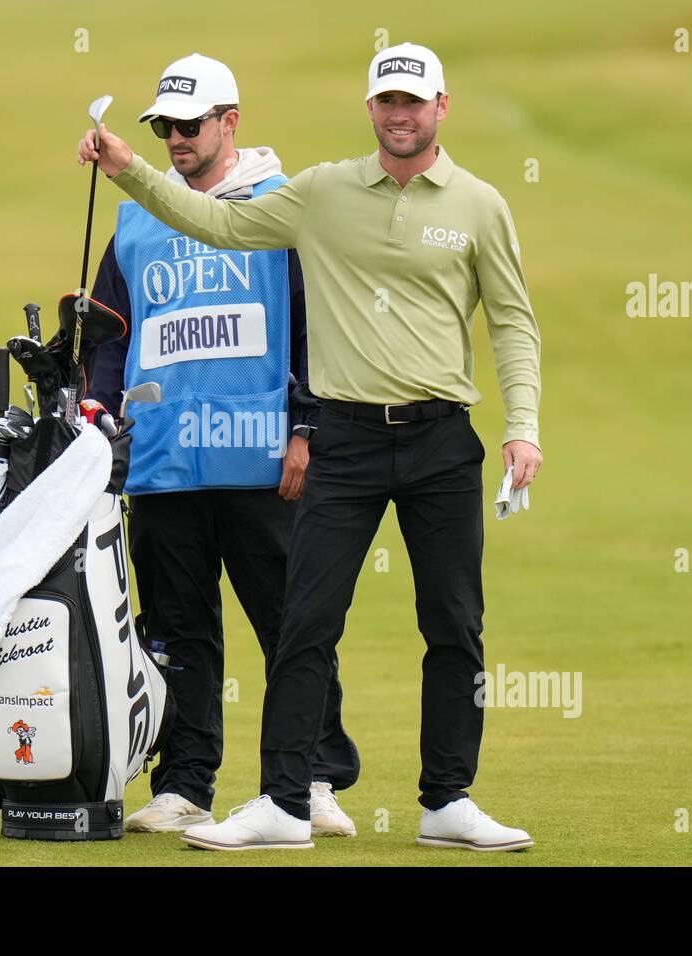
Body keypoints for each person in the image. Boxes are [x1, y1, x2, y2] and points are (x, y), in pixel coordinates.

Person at [78, 42, 543, 851]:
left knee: (453, 625)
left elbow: (510, 319)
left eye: (415, 102)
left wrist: (522, 426)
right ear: (370, 109)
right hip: (303, 441)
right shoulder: (322, 192)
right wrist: (127, 169)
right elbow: (207, 227)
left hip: (419, 439)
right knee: (299, 623)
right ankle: (278, 799)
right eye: (387, 102)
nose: (401, 115)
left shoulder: (478, 204)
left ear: (441, 106)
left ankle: (442, 800)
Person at [84, 53, 361, 837]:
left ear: (229, 122)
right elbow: (112, 325)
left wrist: (307, 427)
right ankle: (186, 783)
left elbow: (317, 327)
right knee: (177, 633)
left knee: (291, 626)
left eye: (189, 124)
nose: (174, 137)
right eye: (163, 126)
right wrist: (100, 411)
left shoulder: (283, 205)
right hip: (165, 458)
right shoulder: (138, 213)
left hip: (262, 458)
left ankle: (312, 780)